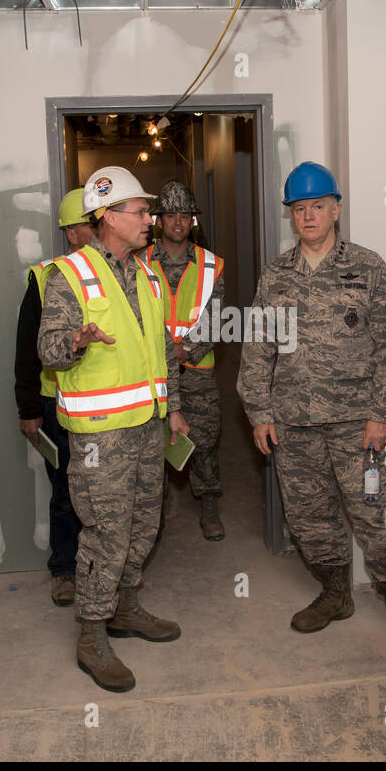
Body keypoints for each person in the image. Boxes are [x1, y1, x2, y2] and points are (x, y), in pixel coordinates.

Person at [237, 161, 386, 662]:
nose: (309, 217)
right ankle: (335, 592)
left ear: (336, 209)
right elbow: (258, 348)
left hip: (358, 427)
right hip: (293, 425)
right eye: (299, 209)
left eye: (318, 206)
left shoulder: (368, 268)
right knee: (309, 517)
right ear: (291, 216)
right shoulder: (276, 275)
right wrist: (259, 410)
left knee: (377, 515)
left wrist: (382, 413)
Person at [37, 166, 190, 693]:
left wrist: (171, 408)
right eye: (141, 211)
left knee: (145, 525)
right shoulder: (69, 274)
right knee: (105, 533)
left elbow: (164, 349)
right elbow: (48, 351)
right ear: (107, 216)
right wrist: (76, 340)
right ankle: (92, 633)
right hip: (101, 437)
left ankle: (125, 606)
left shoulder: (147, 273)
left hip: (149, 428)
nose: (152, 219)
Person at [14, 188, 92, 606]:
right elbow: (26, 348)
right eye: (87, 225)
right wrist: (28, 409)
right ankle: (64, 568)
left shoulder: (118, 274)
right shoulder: (46, 276)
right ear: (70, 232)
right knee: (64, 491)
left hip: (103, 408)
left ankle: (103, 569)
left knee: (102, 492)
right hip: (56, 406)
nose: (95, 232)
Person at [137, 180, 227, 540]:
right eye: (170, 214)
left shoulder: (211, 265)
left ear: (193, 220)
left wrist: (185, 349)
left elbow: (218, 318)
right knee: (152, 443)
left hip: (196, 371)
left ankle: (208, 505)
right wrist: (162, 350)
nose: (177, 221)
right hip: (152, 373)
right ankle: (152, 515)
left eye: (184, 214)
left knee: (204, 441)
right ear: (158, 220)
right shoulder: (139, 261)